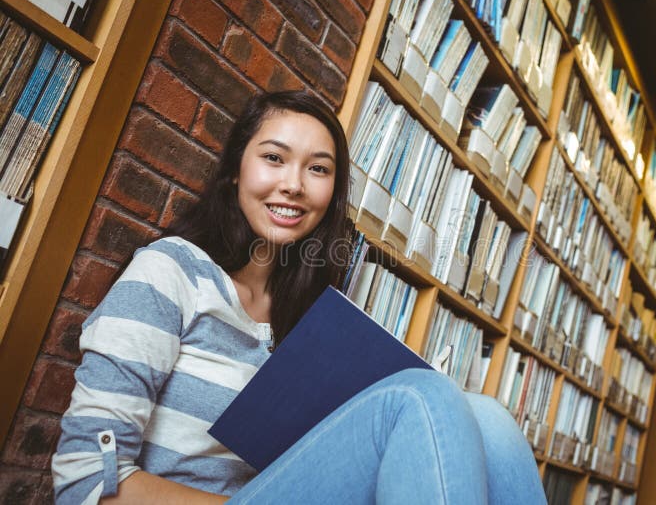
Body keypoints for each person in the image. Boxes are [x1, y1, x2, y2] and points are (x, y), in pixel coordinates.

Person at [51, 90, 547, 504]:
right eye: (273, 158)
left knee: (490, 418)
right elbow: (85, 478)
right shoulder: (170, 271)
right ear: (234, 172)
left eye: (318, 169)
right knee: (419, 394)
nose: (293, 185)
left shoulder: (312, 319)